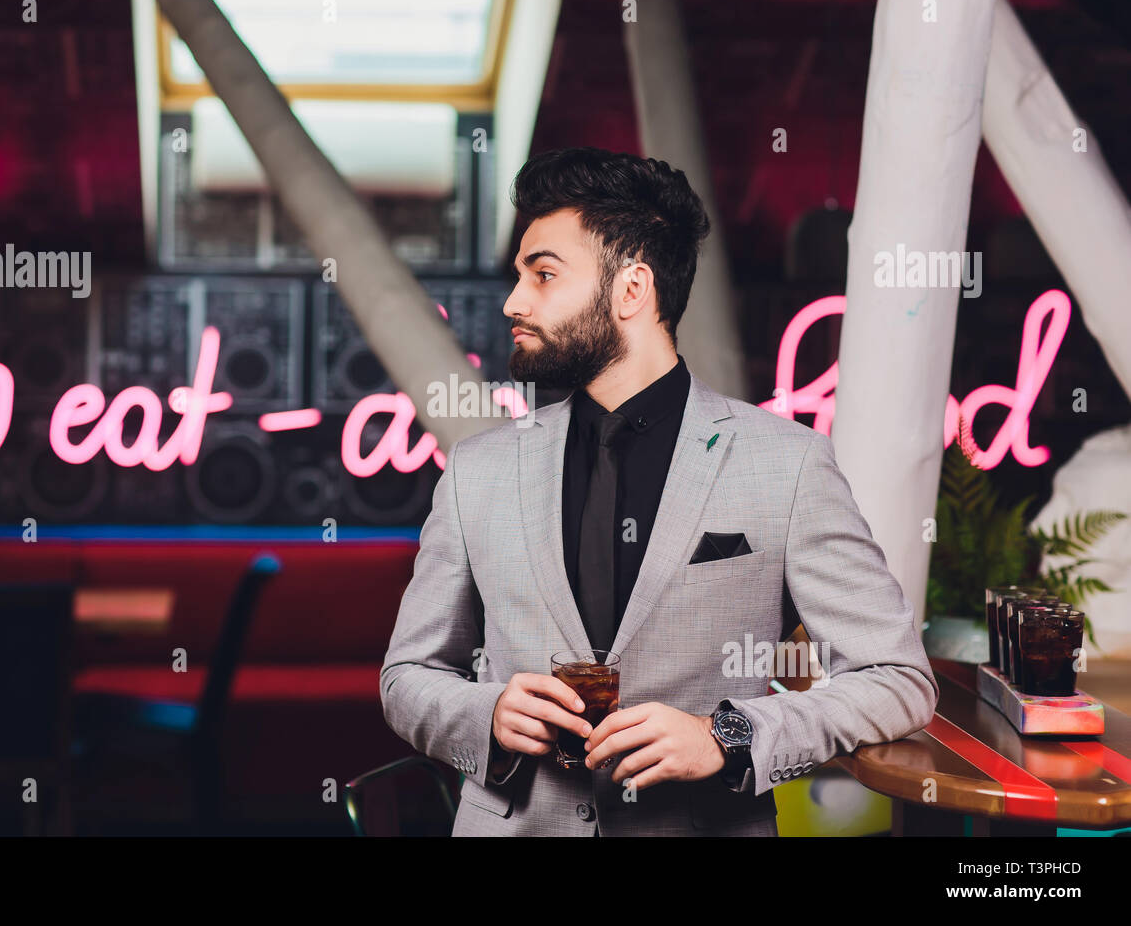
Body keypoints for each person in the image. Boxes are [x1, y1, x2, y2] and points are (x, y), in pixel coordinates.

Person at [380, 147, 938, 836]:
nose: (513, 302)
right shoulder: (477, 471)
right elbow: (407, 676)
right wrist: (486, 715)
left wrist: (728, 737)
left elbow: (897, 680)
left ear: (632, 290)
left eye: (544, 275)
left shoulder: (788, 465)